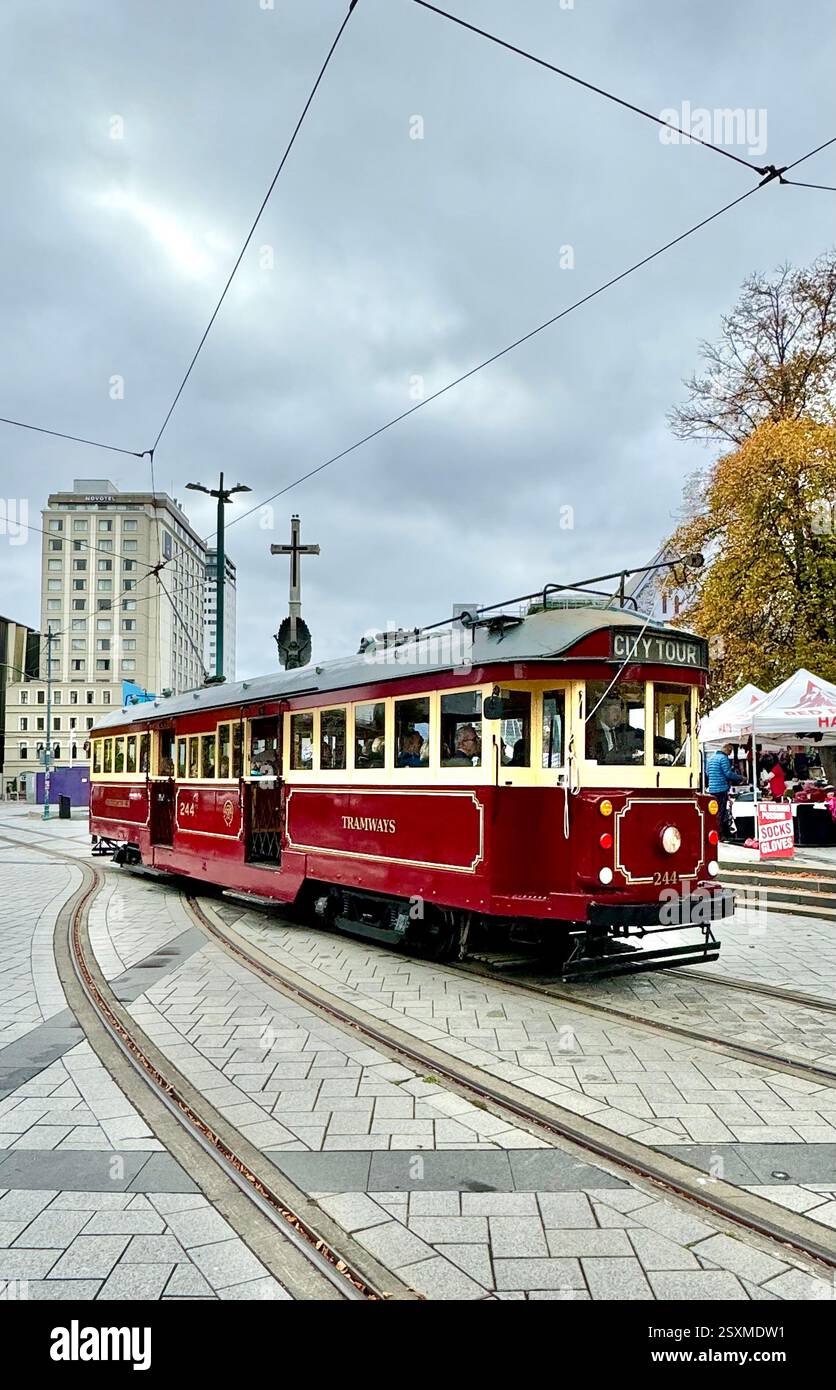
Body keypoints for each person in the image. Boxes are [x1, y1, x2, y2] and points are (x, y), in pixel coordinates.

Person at [589, 695, 643, 764]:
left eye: (620, 711)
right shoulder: (590, 732)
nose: (618, 715)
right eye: (615, 710)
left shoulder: (624, 730)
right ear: (603, 711)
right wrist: (630, 756)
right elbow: (600, 759)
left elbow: (645, 740)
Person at [707, 742, 742, 841]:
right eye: (730, 751)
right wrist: (740, 777)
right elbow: (728, 774)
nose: (730, 754)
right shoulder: (724, 758)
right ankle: (721, 834)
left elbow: (707, 772)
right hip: (721, 789)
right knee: (721, 812)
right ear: (728, 750)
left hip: (712, 789)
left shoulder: (712, 758)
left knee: (714, 812)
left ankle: (715, 831)